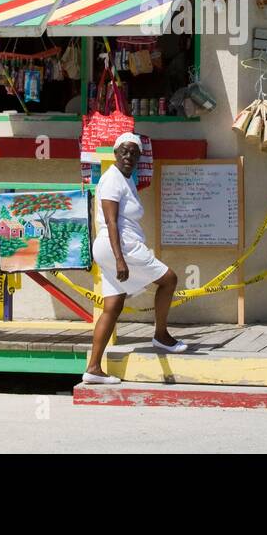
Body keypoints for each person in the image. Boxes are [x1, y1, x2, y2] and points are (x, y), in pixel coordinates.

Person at [82, 132, 185, 385]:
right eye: (124, 151)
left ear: (139, 157)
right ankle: (161, 335)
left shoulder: (126, 180)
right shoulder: (112, 180)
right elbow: (110, 222)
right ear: (116, 153)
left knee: (113, 306)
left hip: (114, 248)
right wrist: (120, 259)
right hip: (120, 247)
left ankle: (93, 368)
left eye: (134, 153)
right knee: (169, 279)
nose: (129, 156)